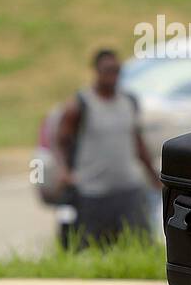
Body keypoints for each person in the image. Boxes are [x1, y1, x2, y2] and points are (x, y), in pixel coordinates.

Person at [54, 49, 161, 248]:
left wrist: (153, 176)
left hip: (128, 189)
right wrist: (64, 171)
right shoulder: (80, 105)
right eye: (107, 70)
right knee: (92, 247)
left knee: (140, 244)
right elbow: (60, 141)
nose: (113, 75)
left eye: (117, 70)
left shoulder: (128, 102)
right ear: (96, 71)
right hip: (93, 192)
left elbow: (137, 142)